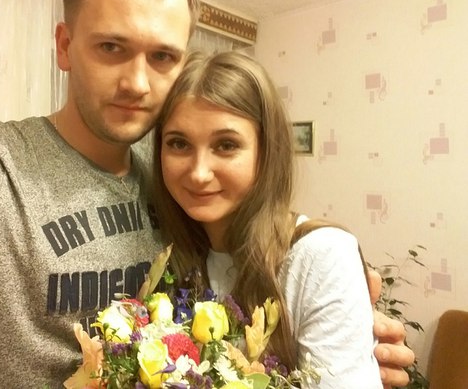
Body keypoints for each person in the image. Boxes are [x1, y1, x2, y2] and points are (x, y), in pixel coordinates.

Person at [0, 0, 412, 388]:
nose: (137, 83)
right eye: (111, 47)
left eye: (163, 56)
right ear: (64, 45)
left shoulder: (175, 176)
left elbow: (263, 238)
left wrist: (333, 313)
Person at [152, 50, 382, 387]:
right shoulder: (171, 253)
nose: (199, 173)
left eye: (226, 145)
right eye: (178, 143)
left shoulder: (319, 255)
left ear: (267, 151)